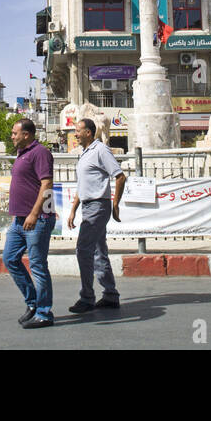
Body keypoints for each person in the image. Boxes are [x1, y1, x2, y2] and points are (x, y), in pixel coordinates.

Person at [66, 119, 126, 314]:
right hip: (87, 205)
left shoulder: (100, 150)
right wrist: (74, 209)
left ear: (89, 133)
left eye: (78, 131)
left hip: (98, 206)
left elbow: (119, 176)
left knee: (83, 250)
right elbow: (82, 185)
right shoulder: (84, 154)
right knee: (99, 252)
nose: (75, 134)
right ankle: (110, 295)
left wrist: (115, 203)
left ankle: (87, 297)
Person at [3, 118, 56, 329]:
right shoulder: (21, 154)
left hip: (37, 219)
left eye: (15, 133)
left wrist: (34, 214)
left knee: (38, 266)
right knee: (10, 259)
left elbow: (47, 183)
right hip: (19, 220)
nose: (12, 136)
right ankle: (33, 302)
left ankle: (44, 313)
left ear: (26, 134)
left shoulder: (40, 153)